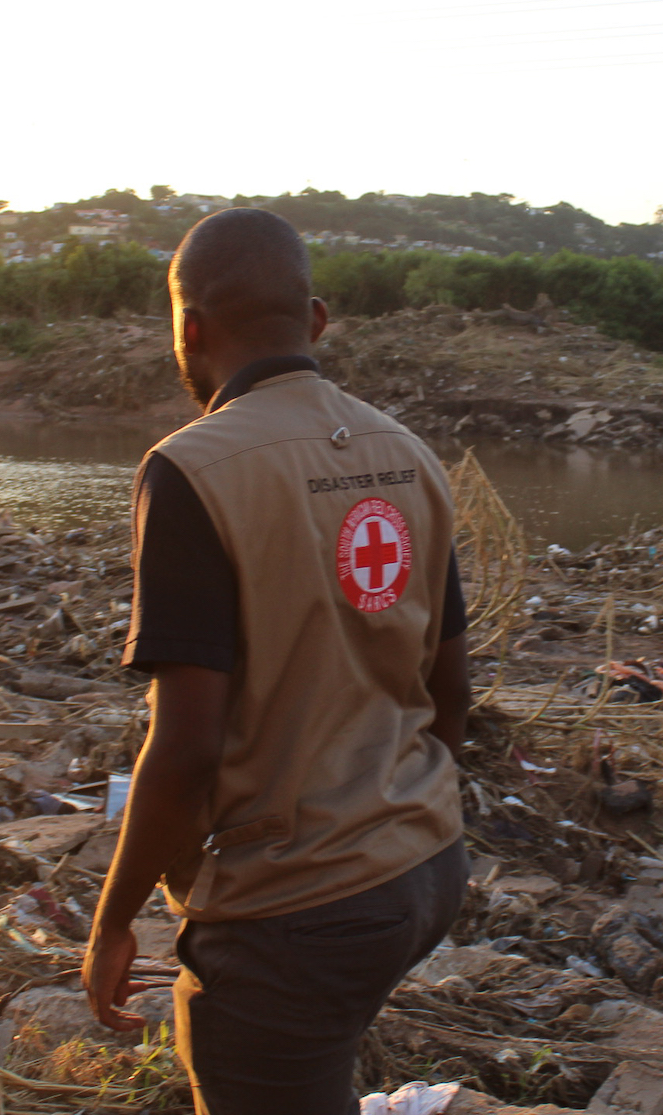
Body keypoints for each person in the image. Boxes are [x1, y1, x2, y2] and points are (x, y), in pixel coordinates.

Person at [81, 208, 471, 1115]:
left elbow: (184, 748)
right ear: (318, 320)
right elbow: (451, 696)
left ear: (190, 327)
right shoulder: (409, 455)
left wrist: (112, 921)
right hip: (426, 865)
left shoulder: (191, 469)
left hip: (298, 908)